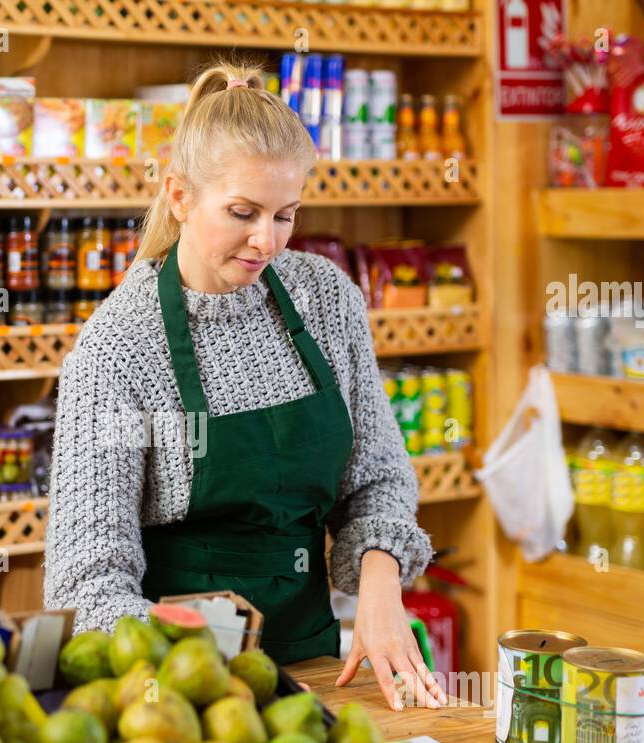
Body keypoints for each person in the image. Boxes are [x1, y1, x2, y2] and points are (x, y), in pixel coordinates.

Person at [44, 60, 443, 710]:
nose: (267, 241)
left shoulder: (326, 300)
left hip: (315, 666)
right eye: (242, 212)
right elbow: (88, 580)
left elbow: (377, 478)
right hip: (175, 694)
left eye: (286, 215)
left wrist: (378, 581)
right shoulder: (119, 347)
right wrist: (194, 684)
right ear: (179, 196)